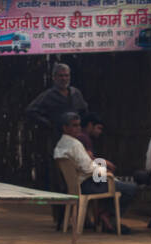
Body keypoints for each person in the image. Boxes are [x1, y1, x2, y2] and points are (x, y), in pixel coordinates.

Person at [27, 63, 88, 225]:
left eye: (66, 75)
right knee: (59, 179)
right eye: (60, 76)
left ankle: (83, 217)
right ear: (54, 77)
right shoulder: (48, 96)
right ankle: (61, 219)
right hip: (57, 142)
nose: (64, 79)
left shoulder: (75, 94)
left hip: (75, 141)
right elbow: (31, 111)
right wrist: (49, 124)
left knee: (81, 174)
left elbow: (84, 111)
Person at [54, 111, 134, 233]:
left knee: (114, 183)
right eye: (74, 125)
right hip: (87, 184)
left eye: (79, 125)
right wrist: (105, 171)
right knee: (131, 189)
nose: (78, 128)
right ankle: (108, 217)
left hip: (75, 185)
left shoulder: (60, 144)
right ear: (65, 127)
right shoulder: (75, 144)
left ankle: (103, 216)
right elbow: (88, 168)